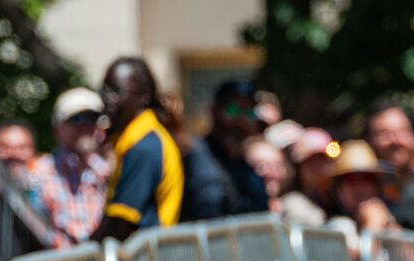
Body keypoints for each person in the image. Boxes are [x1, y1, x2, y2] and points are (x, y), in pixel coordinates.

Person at [92, 56, 183, 240]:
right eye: (104, 89)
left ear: (144, 96)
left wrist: (83, 256)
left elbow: (120, 222)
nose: (107, 98)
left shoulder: (145, 146)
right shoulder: (130, 137)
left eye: (117, 90)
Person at [31, 87, 111, 248]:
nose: (86, 126)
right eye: (77, 119)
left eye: (92, 117)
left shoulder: (105, 172)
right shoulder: (39, 173)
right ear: (57, 128)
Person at [179, 79, 267, 222]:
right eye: (233, 110)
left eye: (248, 112)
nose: (241, 119)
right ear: (214, 111)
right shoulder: (194, 153)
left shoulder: (249, 170)